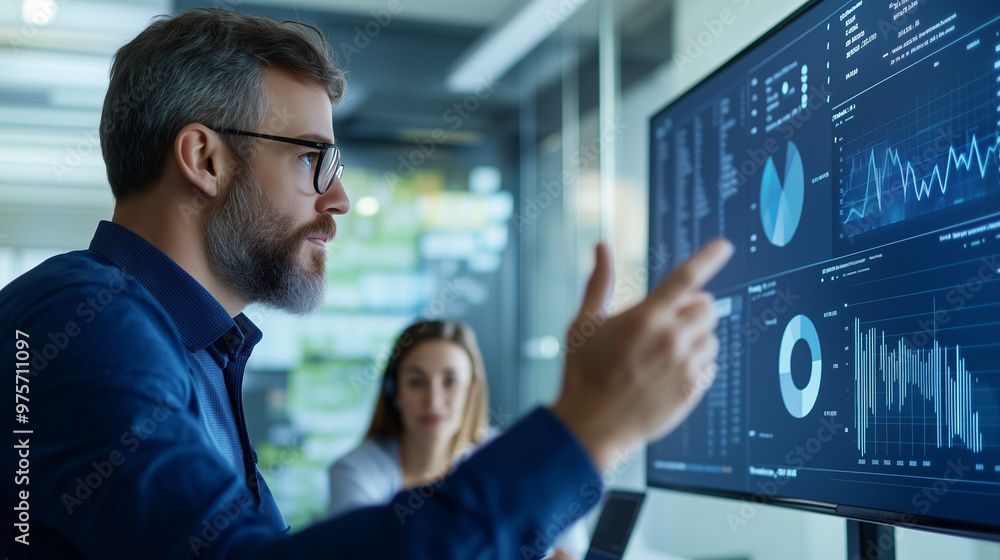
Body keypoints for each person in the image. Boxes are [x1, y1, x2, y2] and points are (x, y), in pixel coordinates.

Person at [0, 7, 733, 560]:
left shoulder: (186, 346)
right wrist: (590, 425)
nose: (339, 198)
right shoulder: (86, 326)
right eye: (313, 160)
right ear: (204, 158)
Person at [327, 320, 589, 558]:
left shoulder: (512, 459)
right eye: (416, 382)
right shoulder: (356, 472)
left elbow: (567, 546)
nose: (434, 400)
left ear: (471, 392)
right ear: (394, 392)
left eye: (450, 382)